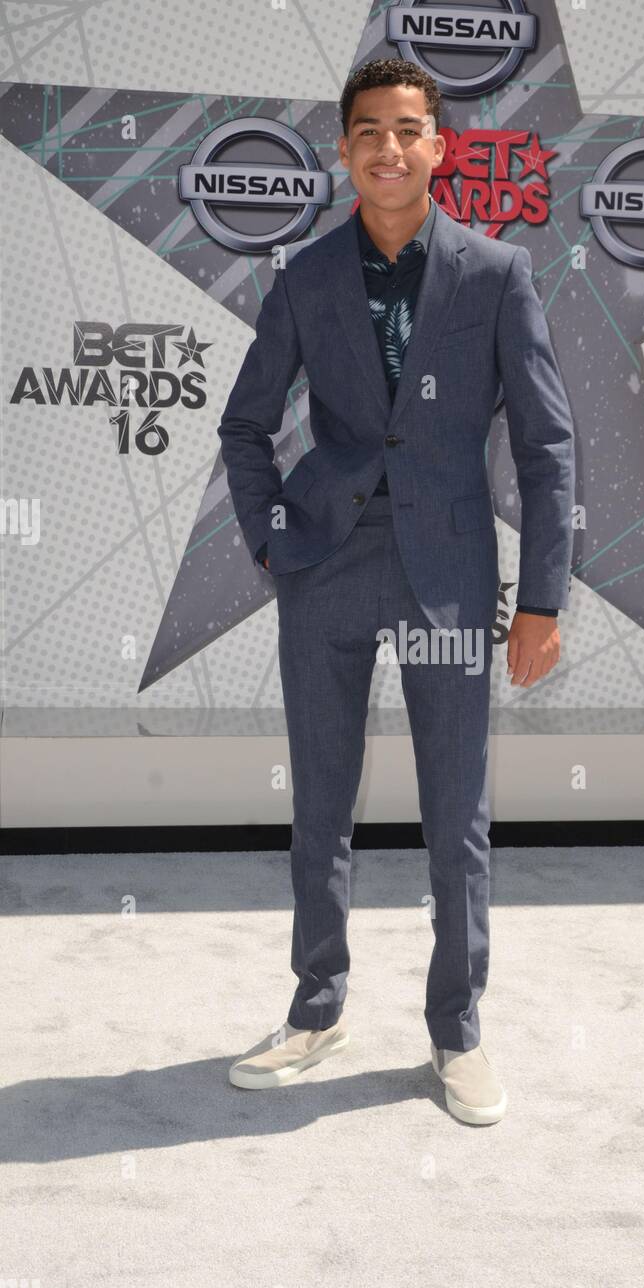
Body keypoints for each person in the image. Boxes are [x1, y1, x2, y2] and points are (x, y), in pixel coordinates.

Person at [218, 58, 575, 1125]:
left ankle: (456, 1032)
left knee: (454, 813)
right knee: (321, 805)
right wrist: (274, 541)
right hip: (325, 565)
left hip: (451, 579)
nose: (388, 147)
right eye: (367, 130)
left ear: (440, 147)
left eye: (409, 129)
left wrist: (544, 599)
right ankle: (316, 1004)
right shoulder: (305, 277)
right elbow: (244, 425)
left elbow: (549, 449)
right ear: (343, 150)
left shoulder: (496, 273)